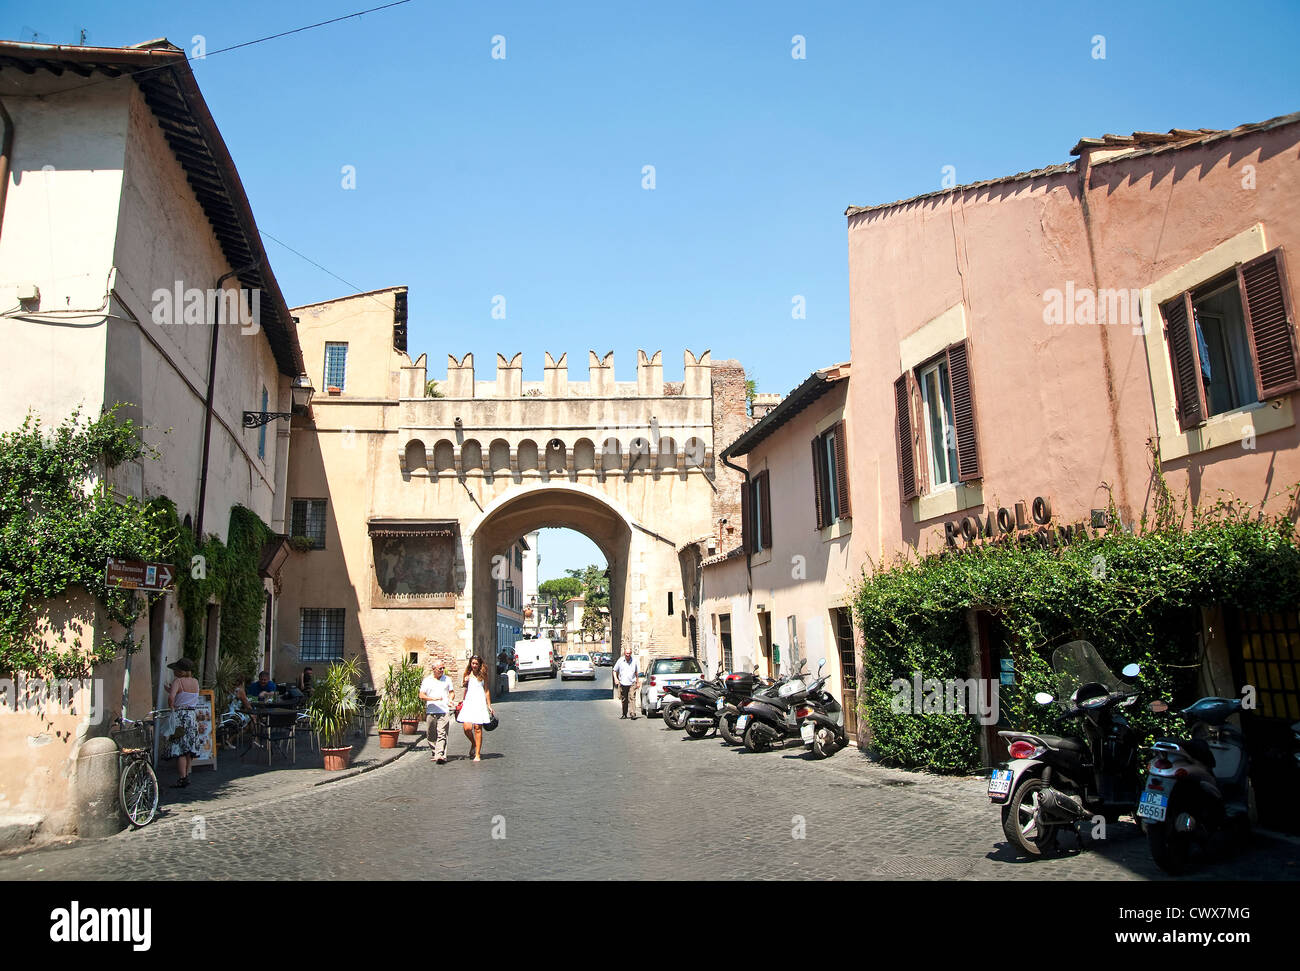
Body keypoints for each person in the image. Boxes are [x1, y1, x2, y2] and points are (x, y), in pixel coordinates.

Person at [164, 658, 202, 787]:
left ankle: (182, 777)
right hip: (192, 715)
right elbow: (188, 696)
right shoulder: (196, 682)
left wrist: (172, 706)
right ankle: (187, 775)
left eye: (176, 670)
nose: (174, 672)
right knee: (188, 748)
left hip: (180, 715)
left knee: (179, 747)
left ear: (181, 671)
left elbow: (172, 698)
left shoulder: (178, 681)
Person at [457, 655, 494, 762]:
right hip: (469, 702)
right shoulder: (467, 673)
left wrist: (489, 705)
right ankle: (473, 743)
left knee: (478, 728)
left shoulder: (483, 675)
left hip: (480, 703)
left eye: (476, 664)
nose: (474, 666)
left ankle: (477, 753)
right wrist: (465, 681)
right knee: (467, 728)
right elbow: (463, 685)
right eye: (473, 663)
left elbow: (486, 691)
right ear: (470, 664)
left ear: (479, 664)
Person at [420, 660, 455, 764]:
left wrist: (450, 700)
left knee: (442, 733)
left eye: (443, 668)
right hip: (431, 711)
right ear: (434, 669)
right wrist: (433, 699)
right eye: (440, 668)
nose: (442, 670)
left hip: (443, 710)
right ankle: (435, 752)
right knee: (430, 735)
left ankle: (440, 755)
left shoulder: (447, 679)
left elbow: (451, 692)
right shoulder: (427, 680)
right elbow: (421, 695)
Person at [613, 647, 641, 720]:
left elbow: (637, 673)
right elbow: (614, 670)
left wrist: (638, 682)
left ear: (631, 653)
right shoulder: (620, 660)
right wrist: (616, 679)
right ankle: (624, 713)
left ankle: (633, 713)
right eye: (626, 653)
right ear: (624, 653)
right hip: (623, 683)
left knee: (632, 697)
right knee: (624, 699)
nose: (628, 655)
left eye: (629, 653)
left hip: (632, 682)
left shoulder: (634, 661)